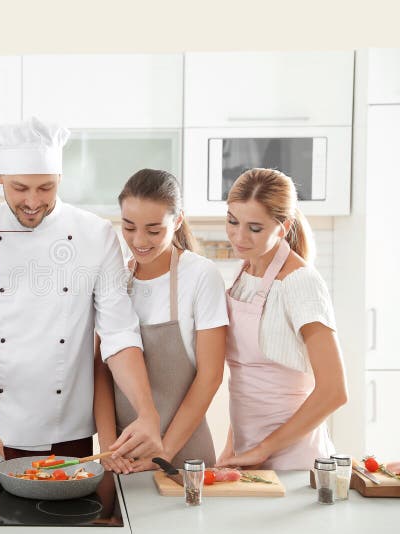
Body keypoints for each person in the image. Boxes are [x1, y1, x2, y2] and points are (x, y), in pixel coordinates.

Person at [0, 117, 162, 473]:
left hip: (68, 433)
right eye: (19, 188)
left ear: (60, 179)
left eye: (45, 188)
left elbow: (119, 335)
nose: (33, 201)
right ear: (0, 179)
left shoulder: (95, 234)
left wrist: (147, 412)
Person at [94, 169, 228, 474]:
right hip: (123, 461)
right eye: (129, 227)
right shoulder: (116, 278)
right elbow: (101, 369)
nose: (138, 241)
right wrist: (106, 446)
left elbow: (210, 377)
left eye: (154, 230)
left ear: (177, 220)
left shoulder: (200, 276)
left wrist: (163, 452)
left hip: (184, 457)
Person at [217, 168, 347, 470]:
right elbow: (249, 381)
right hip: (249, 453)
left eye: (255, 228)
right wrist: (232, 446)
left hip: (294, 460)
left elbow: (334, 391)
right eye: (232, 222)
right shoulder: (243, 274)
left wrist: (263, 450)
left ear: (284, 226)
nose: (239, 237)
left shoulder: (301, 282)